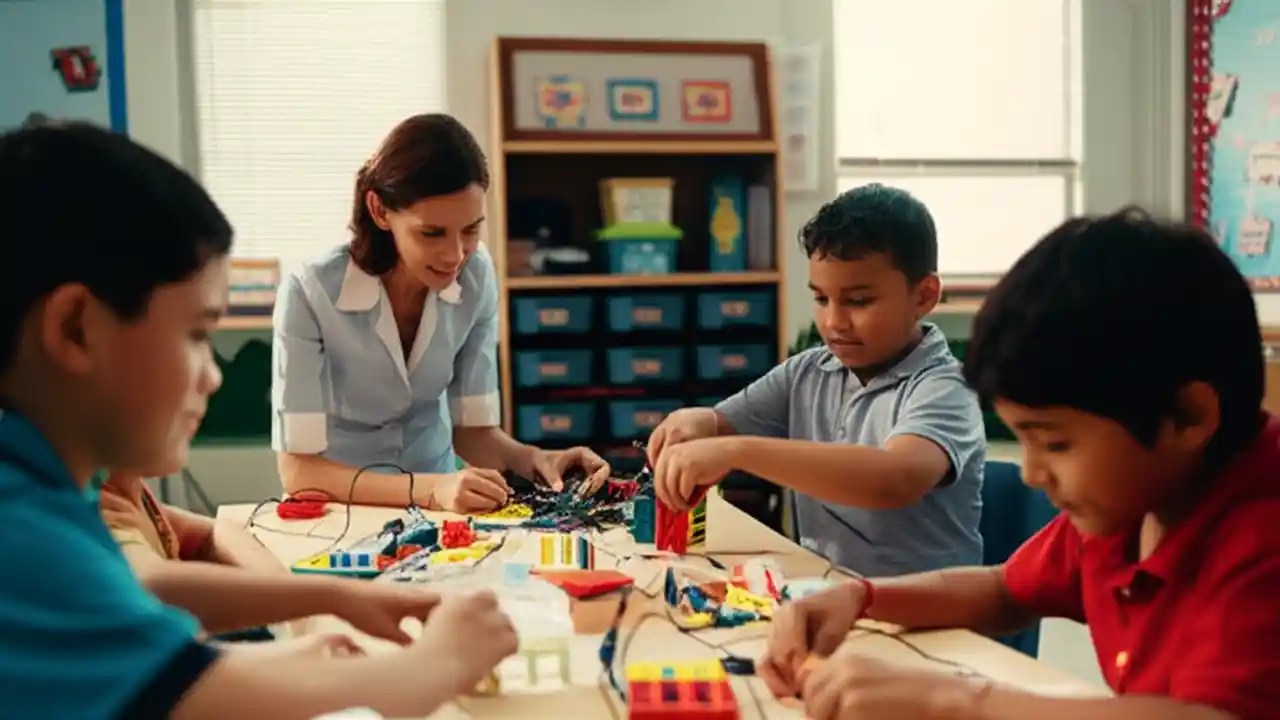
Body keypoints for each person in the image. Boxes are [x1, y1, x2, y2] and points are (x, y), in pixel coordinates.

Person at [0, 121, 516, 719]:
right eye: (196, 334)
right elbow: (209, 700)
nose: (212, 376)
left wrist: (333, 597)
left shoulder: (53, 489)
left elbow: (142, 593)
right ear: (74, 329)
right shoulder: (21, 536)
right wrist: (444, 660)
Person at [758, 209, 1280, 720]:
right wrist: (860, 596)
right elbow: (1004, 589)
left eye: (1055, 444)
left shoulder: (1260, 537)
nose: (1032, 473)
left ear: (1187, 417)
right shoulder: (1137, 498)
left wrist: (955, 701)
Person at [272, 113, 609, 512]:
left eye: (470, 230)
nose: (455, 255)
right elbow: (299, 471)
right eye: (431, 233)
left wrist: (534, 460)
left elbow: (474, 434)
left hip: (442, 509)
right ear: (380, 211)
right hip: (343, 509)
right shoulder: (310, 290)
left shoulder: (478, 275)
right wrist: (430, 490)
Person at [648, 184, 984, 577]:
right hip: (827, 597)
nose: (833, 322)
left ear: (924, 296)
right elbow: (718, 423)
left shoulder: (945, 387)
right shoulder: (807, 372)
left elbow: (895, 479)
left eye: (858, 301)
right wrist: (696, 423)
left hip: (926, 619)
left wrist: (734, 450)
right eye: (822, 299)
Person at [99, 471, 444, 644]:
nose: (212, 377)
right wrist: (332, 597)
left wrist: (287, 598)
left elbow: (209, 532)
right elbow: (153, 586)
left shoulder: (128, 487)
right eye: (194, 339)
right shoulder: (95, 506)